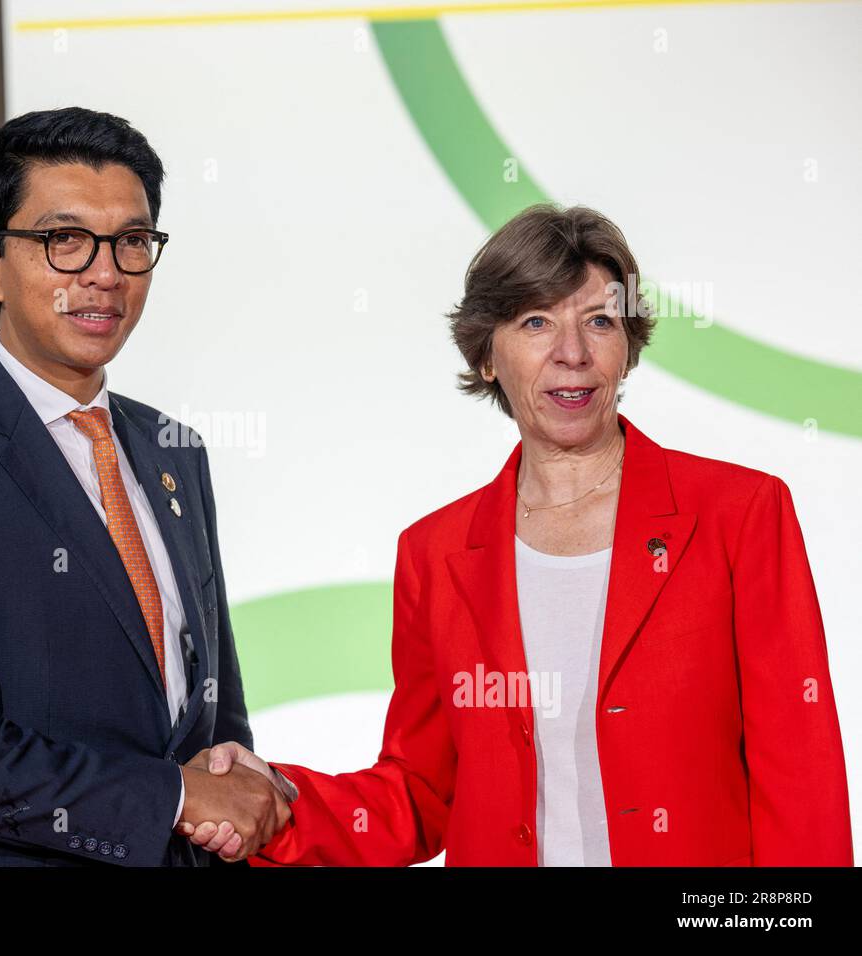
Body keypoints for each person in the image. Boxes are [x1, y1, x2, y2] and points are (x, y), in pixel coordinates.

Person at [183, 204, 853, 866]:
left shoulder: (739, 514)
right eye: (537, 322)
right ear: (486, 358)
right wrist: (279, 800)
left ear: (628, 348)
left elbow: (799, 772)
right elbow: (420, 794)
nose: (573, 354)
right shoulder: (435, 555)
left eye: (599, 321)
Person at [0, 106, 288, 866]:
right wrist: (176, 799)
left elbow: (212, 713)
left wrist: (236, 784)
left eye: (133, 241)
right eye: (65, 241)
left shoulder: (173, 449)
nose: (106, 273)